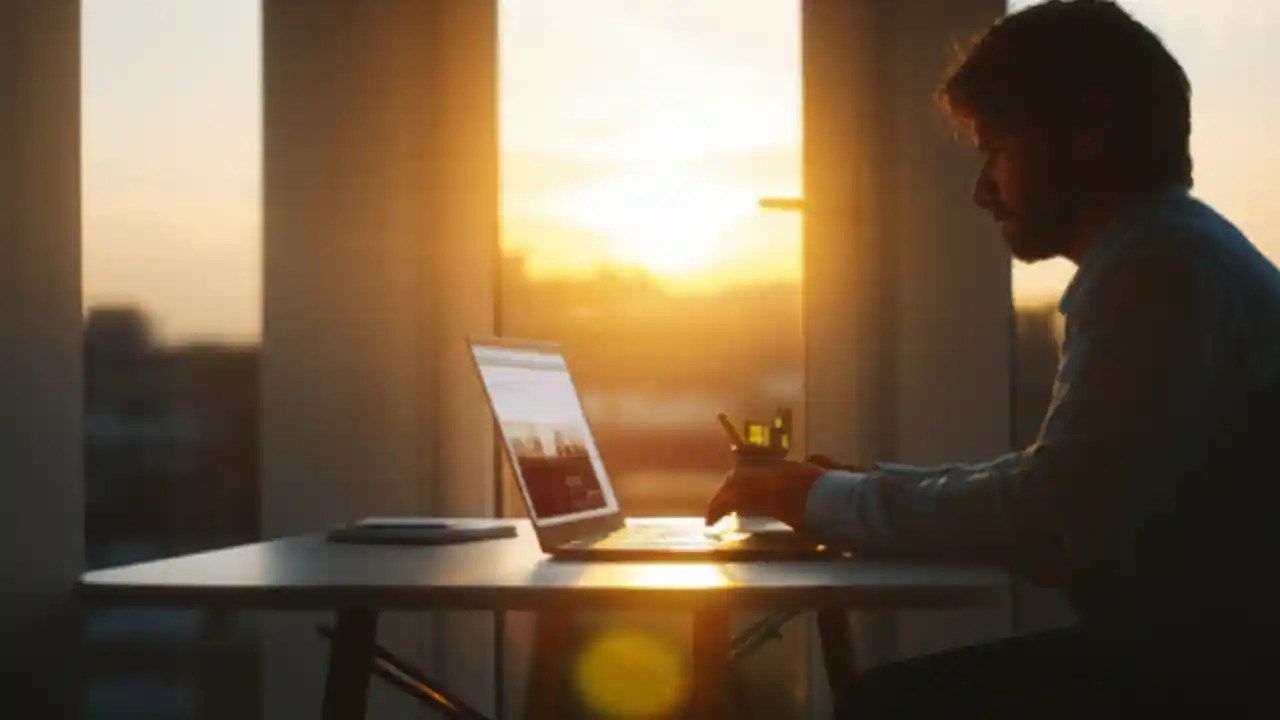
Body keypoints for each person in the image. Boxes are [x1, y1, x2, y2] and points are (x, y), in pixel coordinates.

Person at [705, 0, 1280, 714]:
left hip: (1209, 678)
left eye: (995, 149)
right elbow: (1064, 486)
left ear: (1088, 135)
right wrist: (855, 492)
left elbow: (1059, 516)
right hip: (1214, 656)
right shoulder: (1177, 252)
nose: (982, 190)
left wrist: (819, 499)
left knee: (885, 705)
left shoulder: (1158, 269)